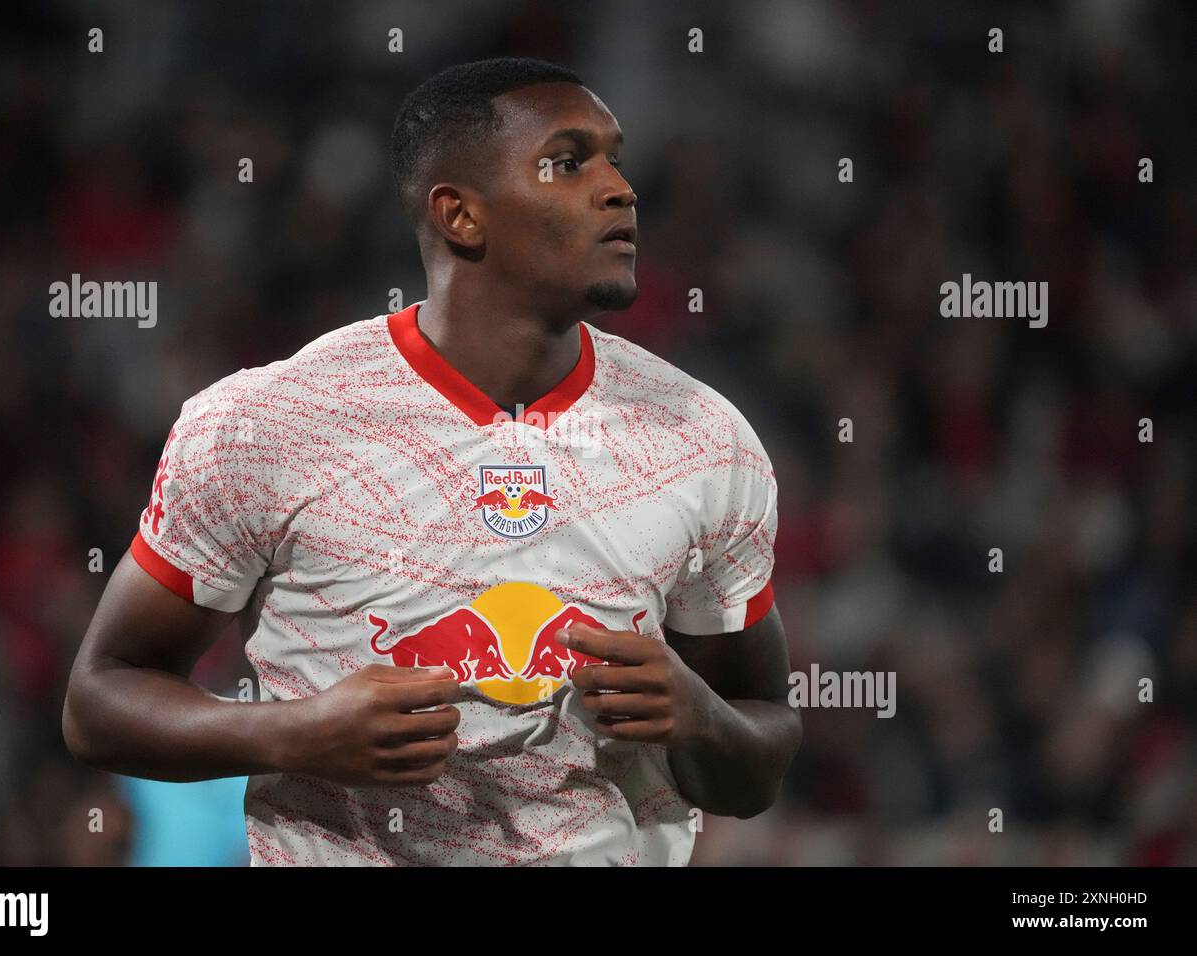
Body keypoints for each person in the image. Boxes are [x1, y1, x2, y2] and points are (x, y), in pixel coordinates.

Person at [62, 56, 801, 866]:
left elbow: (755, 760)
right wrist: (293, 733)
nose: (619, 188)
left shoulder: (699, 437)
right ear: (460, 216)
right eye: (567, 162)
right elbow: (99, 702)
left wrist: (698, 715)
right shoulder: (267, 423)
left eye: (614, 157)